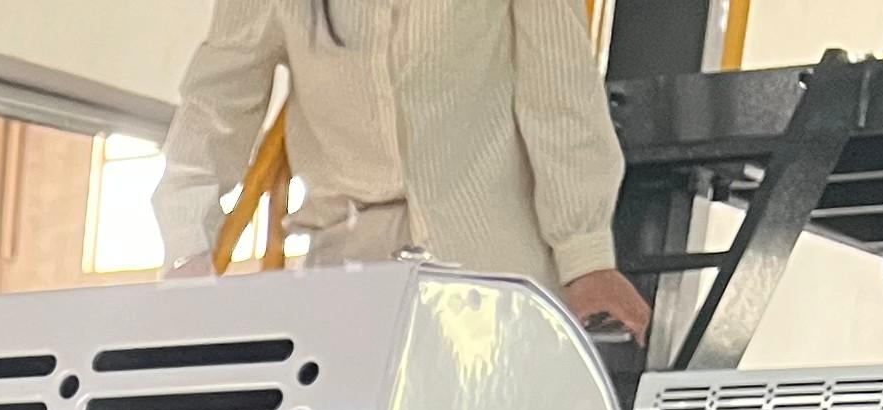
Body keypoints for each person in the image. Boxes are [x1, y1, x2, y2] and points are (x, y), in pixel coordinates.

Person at [155, 0, 653, 343]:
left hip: (495, 268)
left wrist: (586, 257)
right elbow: (219, 99)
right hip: (347, 275)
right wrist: (187, 244)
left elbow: (561, 95)